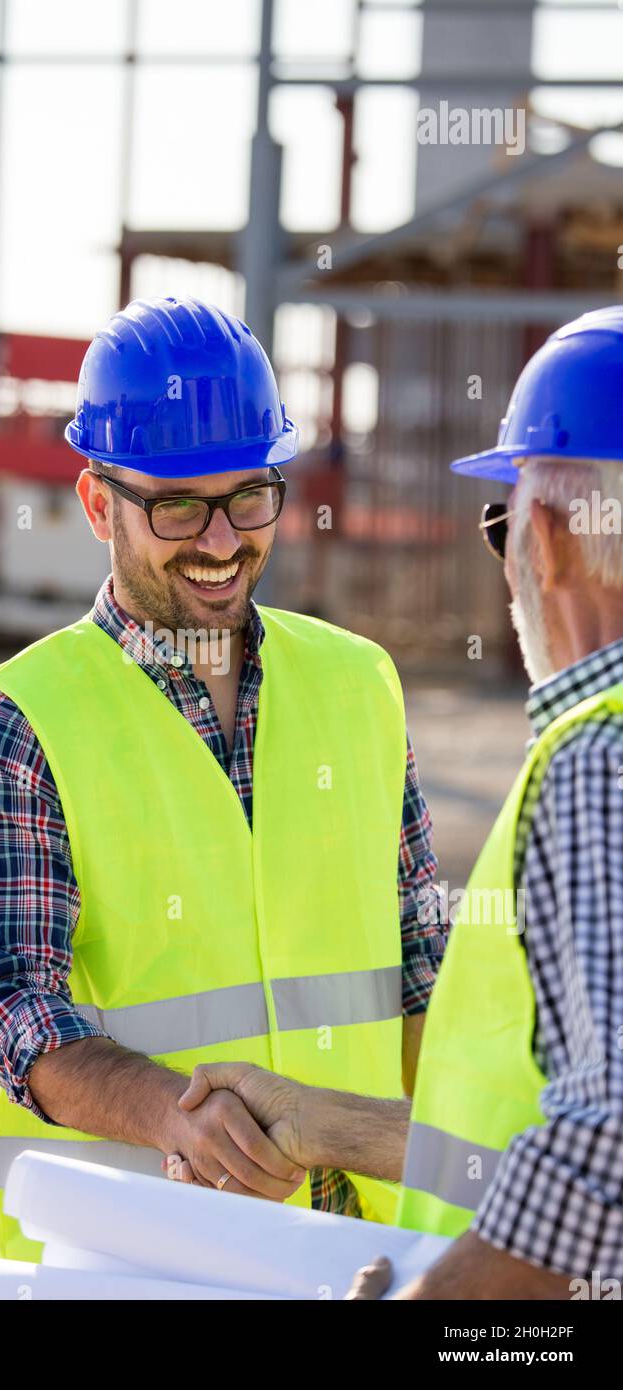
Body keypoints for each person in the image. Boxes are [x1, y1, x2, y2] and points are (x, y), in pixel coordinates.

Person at [0, 296, 444, 1262]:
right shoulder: (17, 725)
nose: (220, 542)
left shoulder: (359, 684)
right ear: (97, 505)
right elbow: (10, 1008)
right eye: (176, 507)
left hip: (359, 1246)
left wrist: (460, 1182)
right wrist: (179, 1117)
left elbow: (424, 970)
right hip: (131, 1255)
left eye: (249, 498)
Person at [173, 306, 623, 1300]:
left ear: (543, 533)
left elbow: (606, 1143)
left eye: (498, 522)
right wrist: (327, 1122)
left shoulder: (598, 760)